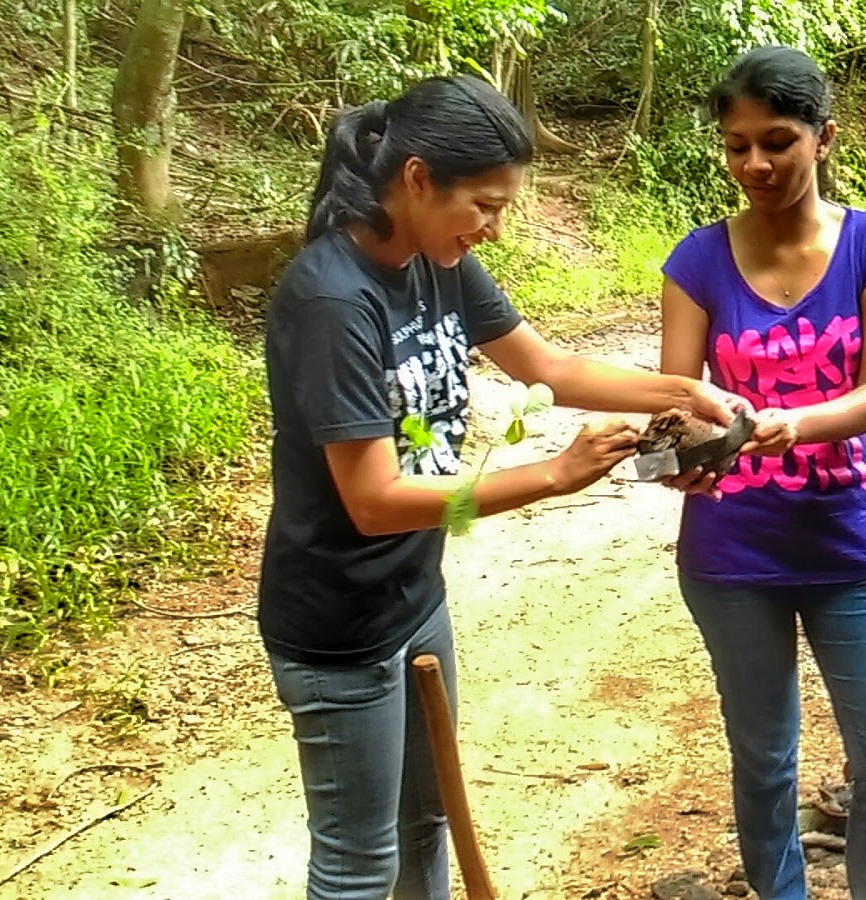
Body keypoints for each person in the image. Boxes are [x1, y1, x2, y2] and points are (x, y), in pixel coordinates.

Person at [259, 74, 745, 900]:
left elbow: (547, 366)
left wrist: (683, 392)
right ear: (418, 178)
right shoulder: (334, 301)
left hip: (414, 596)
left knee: (427, 825)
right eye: (484, 205)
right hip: (339, 627)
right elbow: (373, 503)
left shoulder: (436, 262)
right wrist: (551, 477)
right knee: (357, 867)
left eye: (503, 208)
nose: (493, 227)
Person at [658, 46, 866, 900]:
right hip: (732, 555)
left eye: (777, 141)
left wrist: (795, 424)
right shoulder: (696, 261)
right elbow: (677, 400)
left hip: (849, 543)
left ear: (824, 138)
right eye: (736, 146)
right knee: (765, 760)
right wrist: (677, 454)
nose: (756, 164)